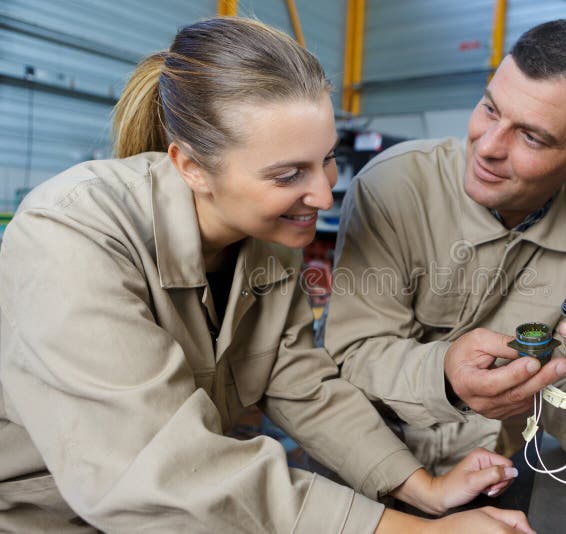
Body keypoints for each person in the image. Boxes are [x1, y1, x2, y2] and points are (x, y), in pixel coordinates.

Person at [0, 18, 536, 533]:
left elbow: (301, 383)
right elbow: (151, 469)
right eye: (287, 175)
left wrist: (420, 488)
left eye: (327, 160)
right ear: (190, 165)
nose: (324, 197)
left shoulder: (266, 239)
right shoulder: (71, 234)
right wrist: (409, 532)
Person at [323, 19, 566, 476]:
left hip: (495, 477)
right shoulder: (393, 186)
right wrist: (445, 374)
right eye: (490, 109)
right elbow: (350, 358)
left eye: (531, 137)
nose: (487, 147)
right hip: (363, 468)